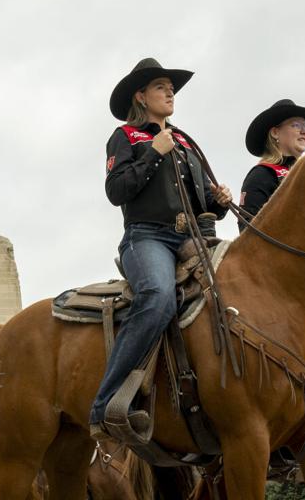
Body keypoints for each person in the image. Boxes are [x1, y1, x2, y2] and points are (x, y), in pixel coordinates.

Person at [89, 57, 232, 439]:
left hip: (191, 238)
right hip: (145, 236)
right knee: (158, 296)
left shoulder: (185, 142)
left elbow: (202, 202)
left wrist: (218, 200)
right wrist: (153, 152)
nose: (170, 92)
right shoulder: (126, 137)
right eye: (160, 87)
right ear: (141, 96)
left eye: (171, 87)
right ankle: (105, 405)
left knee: (238, 289)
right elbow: (116, 191)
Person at [239, 98, 305, 225]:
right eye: (296, 125)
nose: (304, 132)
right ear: (275, 132)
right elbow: (247, 230)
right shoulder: (261, 175)